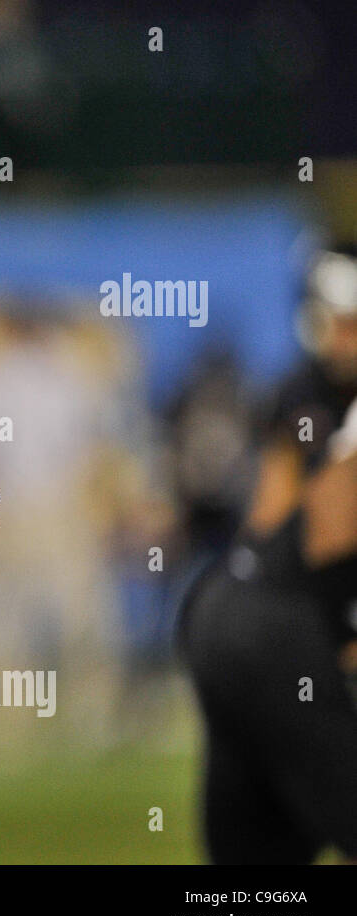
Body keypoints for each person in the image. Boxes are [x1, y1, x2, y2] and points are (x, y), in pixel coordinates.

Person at [180, 244, 357, 863]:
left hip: (225, 610)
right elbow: (331, 525)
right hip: (277, 625)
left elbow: (271, 527)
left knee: (257, 870)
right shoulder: (303, 395)